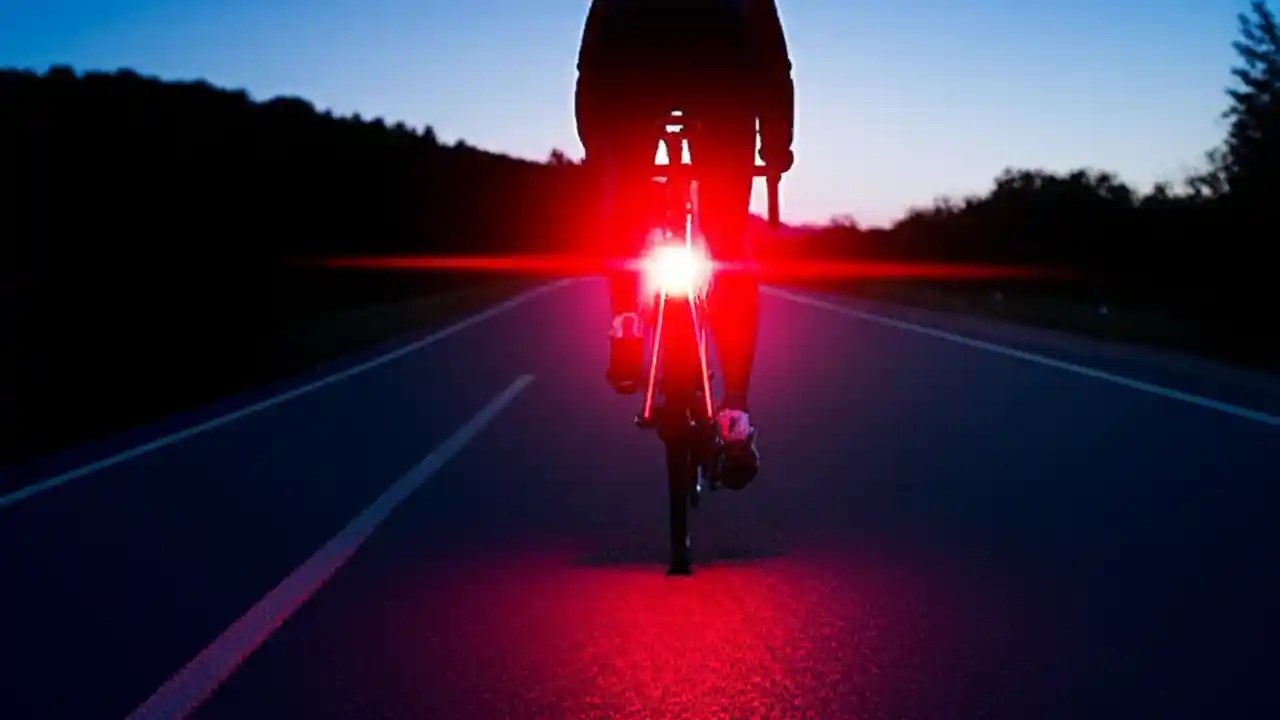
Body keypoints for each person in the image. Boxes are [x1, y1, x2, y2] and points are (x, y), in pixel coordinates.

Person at [574, 0, 794, 489]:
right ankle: (735, 415)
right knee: (731, 248)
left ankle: (625, 326)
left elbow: (591, 60)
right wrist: (775, 150)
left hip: (632, 96)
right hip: (723, 101)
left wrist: (599, 152)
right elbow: (773, 59)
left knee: (625, 213)